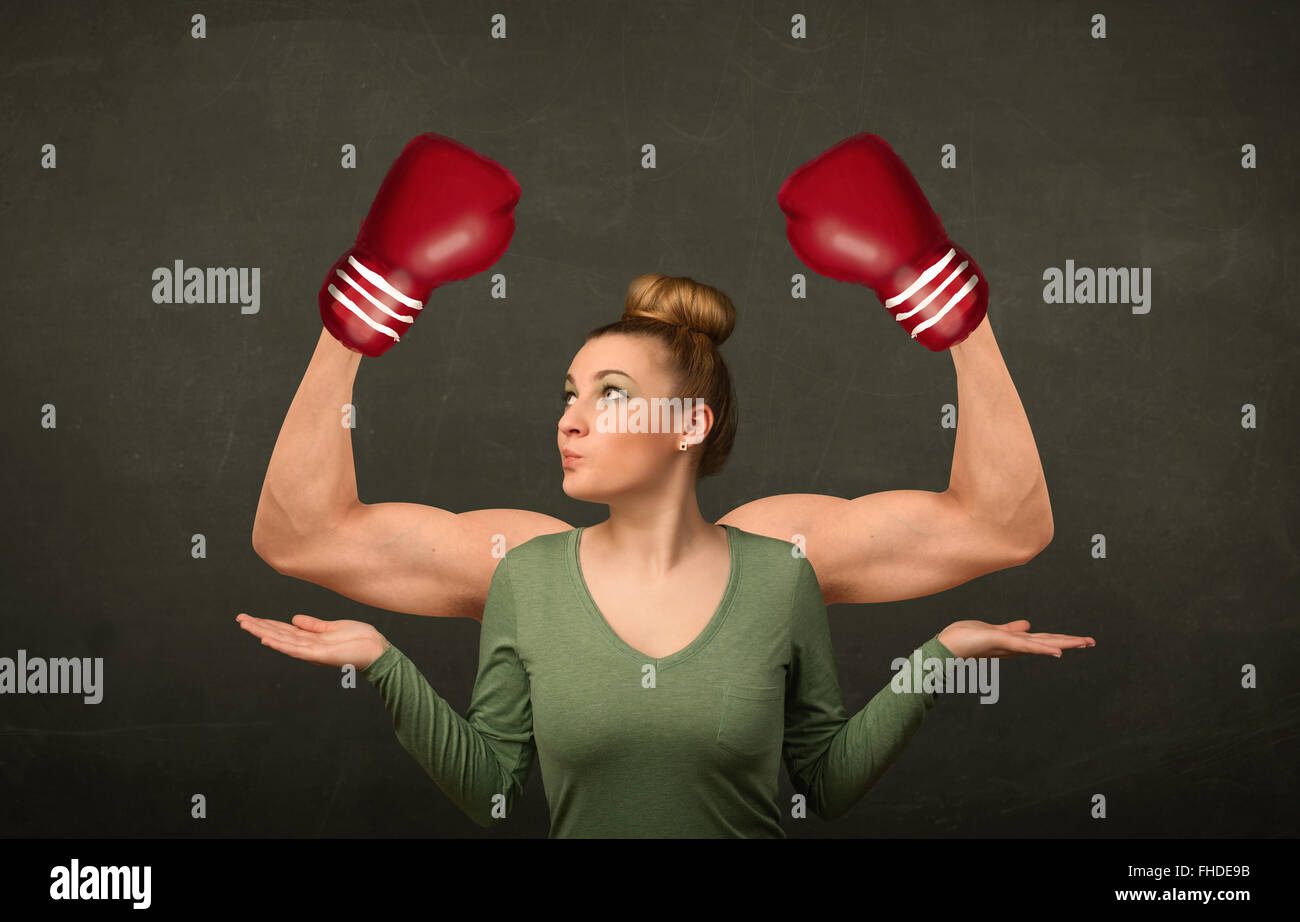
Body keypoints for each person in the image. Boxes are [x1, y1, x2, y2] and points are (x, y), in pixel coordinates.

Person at [240, 272, 1094, 837]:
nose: (569, 419)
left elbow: (1002, 523)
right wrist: (349, 325)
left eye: (611, 396)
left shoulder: (783, 561)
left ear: (690, 424)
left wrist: (962, 323)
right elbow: (300, 533)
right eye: (568, 395)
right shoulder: (524, 568)